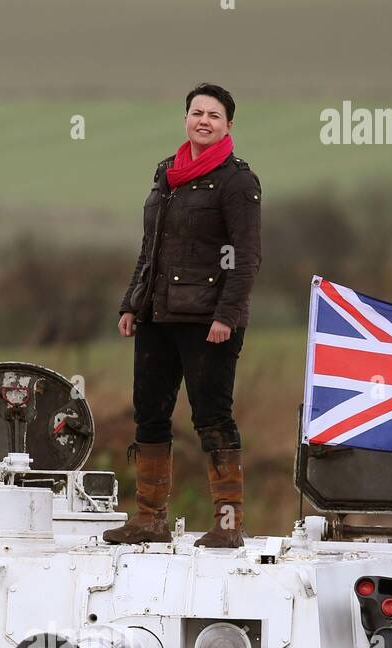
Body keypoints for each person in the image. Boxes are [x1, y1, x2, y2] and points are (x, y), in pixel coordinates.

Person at [104, 82, 262, 549]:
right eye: (197, 112)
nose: (204, 121)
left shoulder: (238, 181)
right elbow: (150, 247)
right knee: (149, 417)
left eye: (214, 115)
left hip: (209, 322)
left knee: (213, 418)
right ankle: (149, 519)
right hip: (157, 316)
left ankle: (228, 525)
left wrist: (227, 316)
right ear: (186, 119)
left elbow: (246, 255)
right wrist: (134, 302)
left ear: (228, 126)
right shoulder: (166, 173)